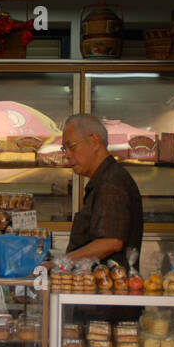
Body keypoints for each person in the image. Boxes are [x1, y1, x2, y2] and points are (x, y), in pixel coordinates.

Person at [59, 113, 143, 269]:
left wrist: (62, 261)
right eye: (64, 148)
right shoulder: (104, 179)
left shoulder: (111, 182)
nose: (67, 155)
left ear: (94, 141)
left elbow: (111, 242)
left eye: (72, 146)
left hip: (107, 287)